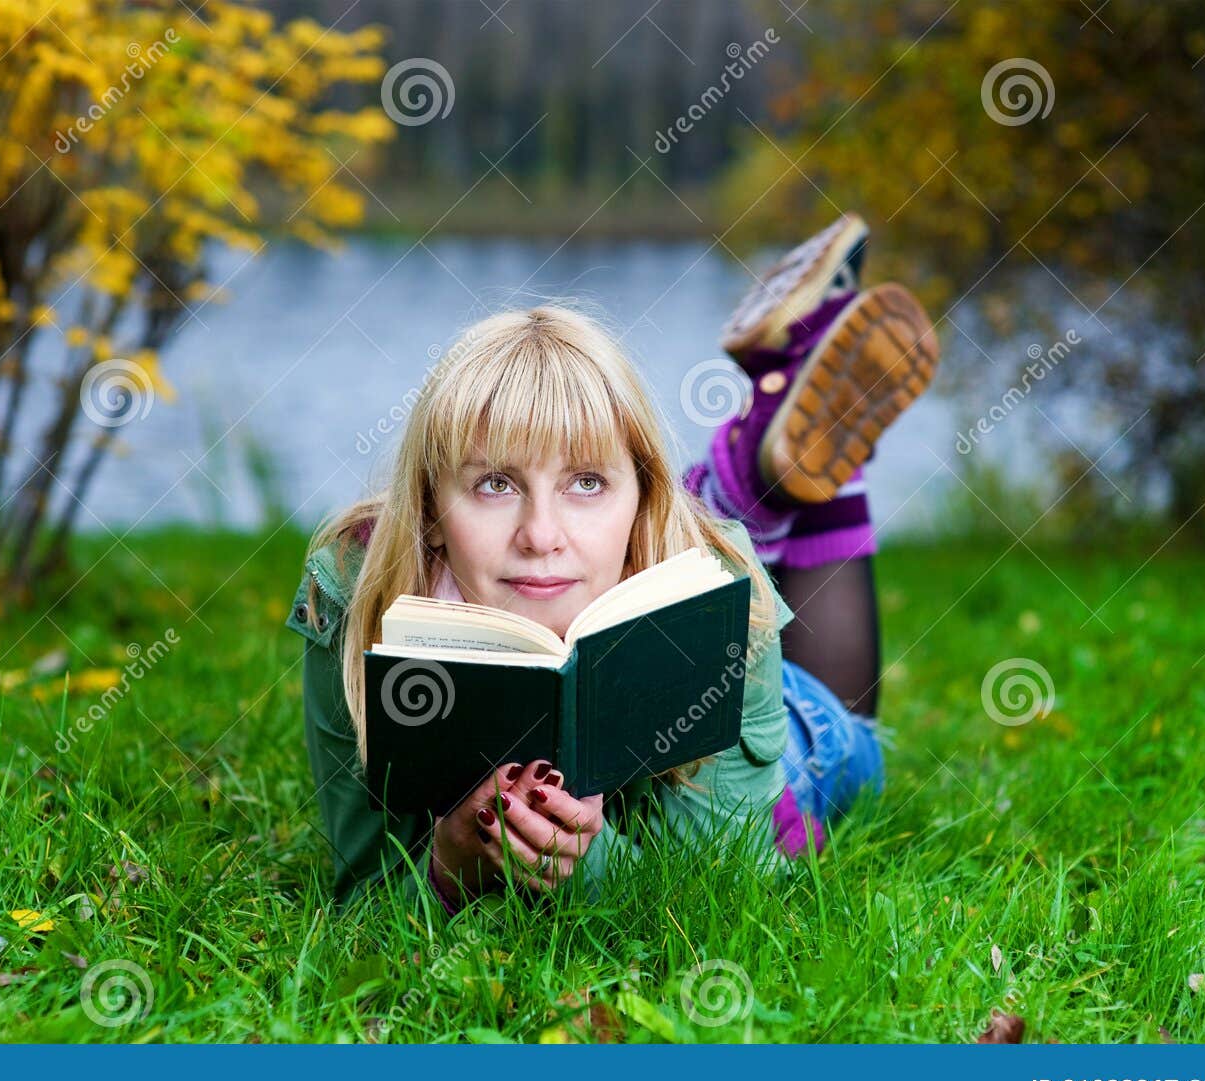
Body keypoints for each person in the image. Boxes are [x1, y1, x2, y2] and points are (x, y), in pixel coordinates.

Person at [284, 214, 938, 913]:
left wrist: (583, 861)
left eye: (588, 483)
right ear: (432, 513)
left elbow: (719, 894)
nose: (540, 535)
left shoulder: (719, 589)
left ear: (643, 498)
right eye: (494, 485)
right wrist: (450, 865)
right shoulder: (359, 591)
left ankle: (802, 465)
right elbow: (362, 897)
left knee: (851, 735)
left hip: (793, 736)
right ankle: (752, 462)